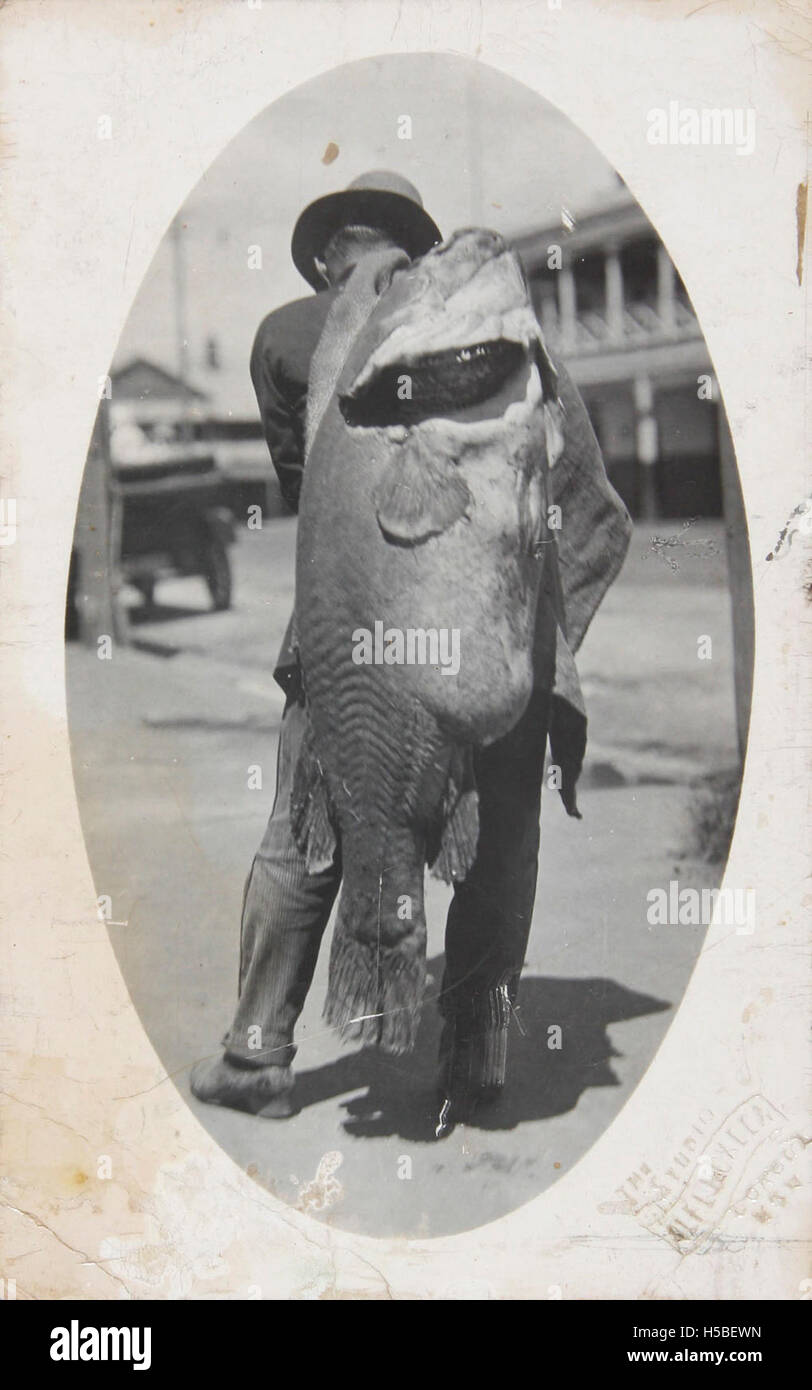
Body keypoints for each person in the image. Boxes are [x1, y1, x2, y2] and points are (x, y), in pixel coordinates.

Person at [191, 170, 631, 1131]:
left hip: (353, 635)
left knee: (310, 828)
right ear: (420, 248)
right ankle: (475, 1065)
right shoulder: (496, 328)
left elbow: (310, 490)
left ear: (322, 259)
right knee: (503, 844)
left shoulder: (289, 340)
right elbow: (574, 479)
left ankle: (256, 1054)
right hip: (504, 631)